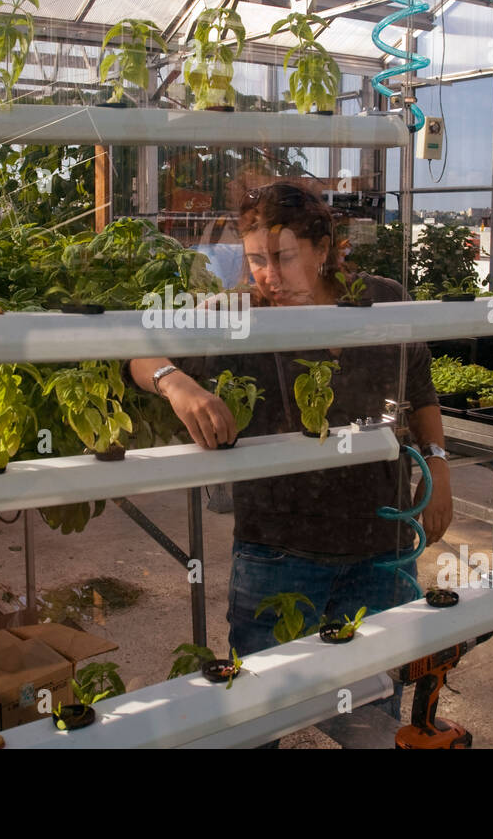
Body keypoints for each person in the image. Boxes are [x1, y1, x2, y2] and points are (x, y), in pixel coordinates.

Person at [128, 180, 454, 684]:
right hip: (276, 549)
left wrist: (437, 465)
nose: (268, 275)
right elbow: (141, 349)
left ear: (322, 249)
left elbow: (422, 393)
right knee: (261, 701)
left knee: (375, 695)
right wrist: (178, 384)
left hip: (381, 544)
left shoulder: (382, 300)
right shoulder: (240, 314)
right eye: (256, 259)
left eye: (283, 257)